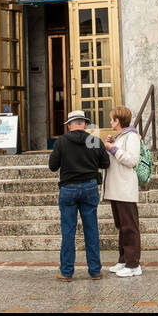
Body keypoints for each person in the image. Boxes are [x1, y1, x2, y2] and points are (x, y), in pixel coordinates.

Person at [48, 109, 109, 281]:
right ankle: (95, 270)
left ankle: (67, 272)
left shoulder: (61, 142)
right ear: (85, 124)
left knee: (68, 231)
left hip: (68, 189)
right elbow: (105, 163)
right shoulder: (94, 140)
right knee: (92, 230)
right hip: (89, 187)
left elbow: (53, 166)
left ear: (69, 126)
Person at [102, 104, 143, 277]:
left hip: (125, 188)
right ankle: (124, 260)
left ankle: (134, 264)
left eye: (112, 119)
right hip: (117, 188)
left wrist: (112, 148)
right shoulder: (122, 137)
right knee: (122, 226)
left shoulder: (131, 136)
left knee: (129, 227)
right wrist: (113, 145)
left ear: (118, 121)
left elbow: (132, 160)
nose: (110, 121)